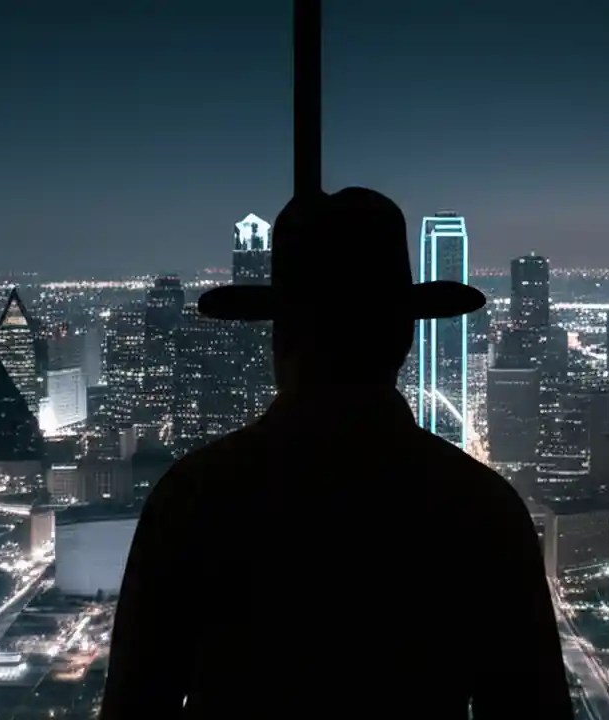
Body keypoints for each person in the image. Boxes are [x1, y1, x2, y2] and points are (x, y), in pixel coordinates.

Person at [101, 188, 572, 720]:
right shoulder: (483, 510)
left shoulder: (191, 501)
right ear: (403, 338)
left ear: (280, 341)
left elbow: (134, 707)